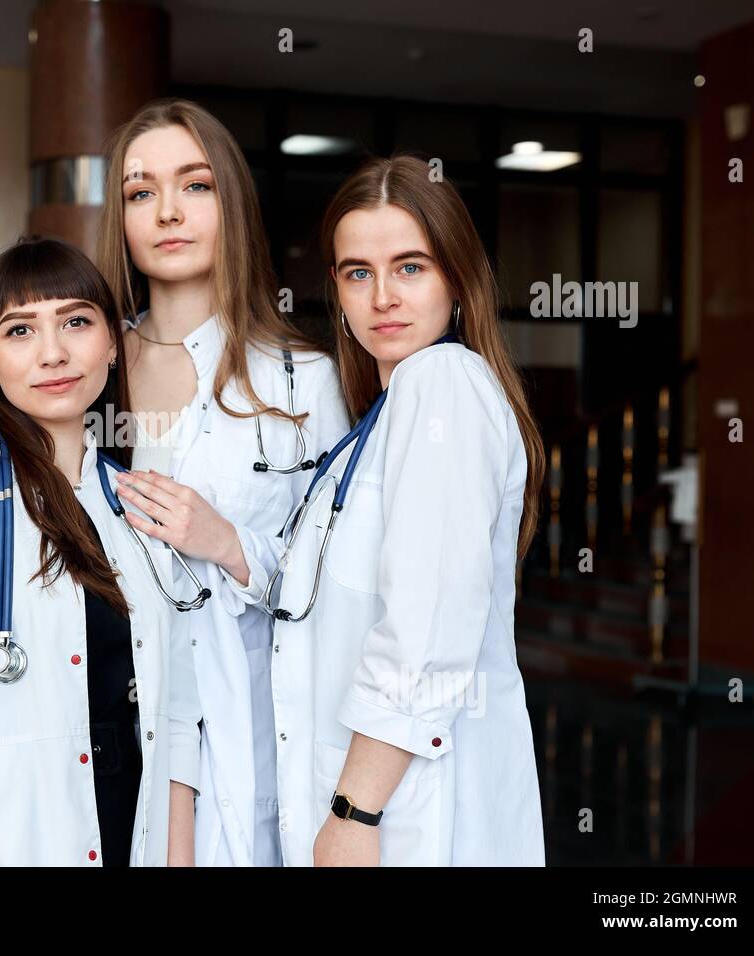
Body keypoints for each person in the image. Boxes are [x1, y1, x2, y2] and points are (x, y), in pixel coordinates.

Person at [0, 238, 201, 866]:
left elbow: (180, 717)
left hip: (136, 835)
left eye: (76, 322)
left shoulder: (146, 501)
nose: (53, 353)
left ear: (113, 343)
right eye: (20, 330)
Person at [270, 155, 546, 866]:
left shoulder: (441, 381)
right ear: (337, 289)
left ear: (456, 277)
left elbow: (425, 629)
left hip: (405, 810)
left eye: (410, 267)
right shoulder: (384, 414)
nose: (384, 296)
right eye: (358, 273)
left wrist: (354, 812)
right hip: (383, 795)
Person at [95, 98, 350, 865]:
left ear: (231, 202)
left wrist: (231, 545)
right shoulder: (80, 367)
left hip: (241, 740)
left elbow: (343, 587)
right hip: (103, 727)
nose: (167, 211)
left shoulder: (303, 380)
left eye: (195, 185)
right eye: (141, 192)